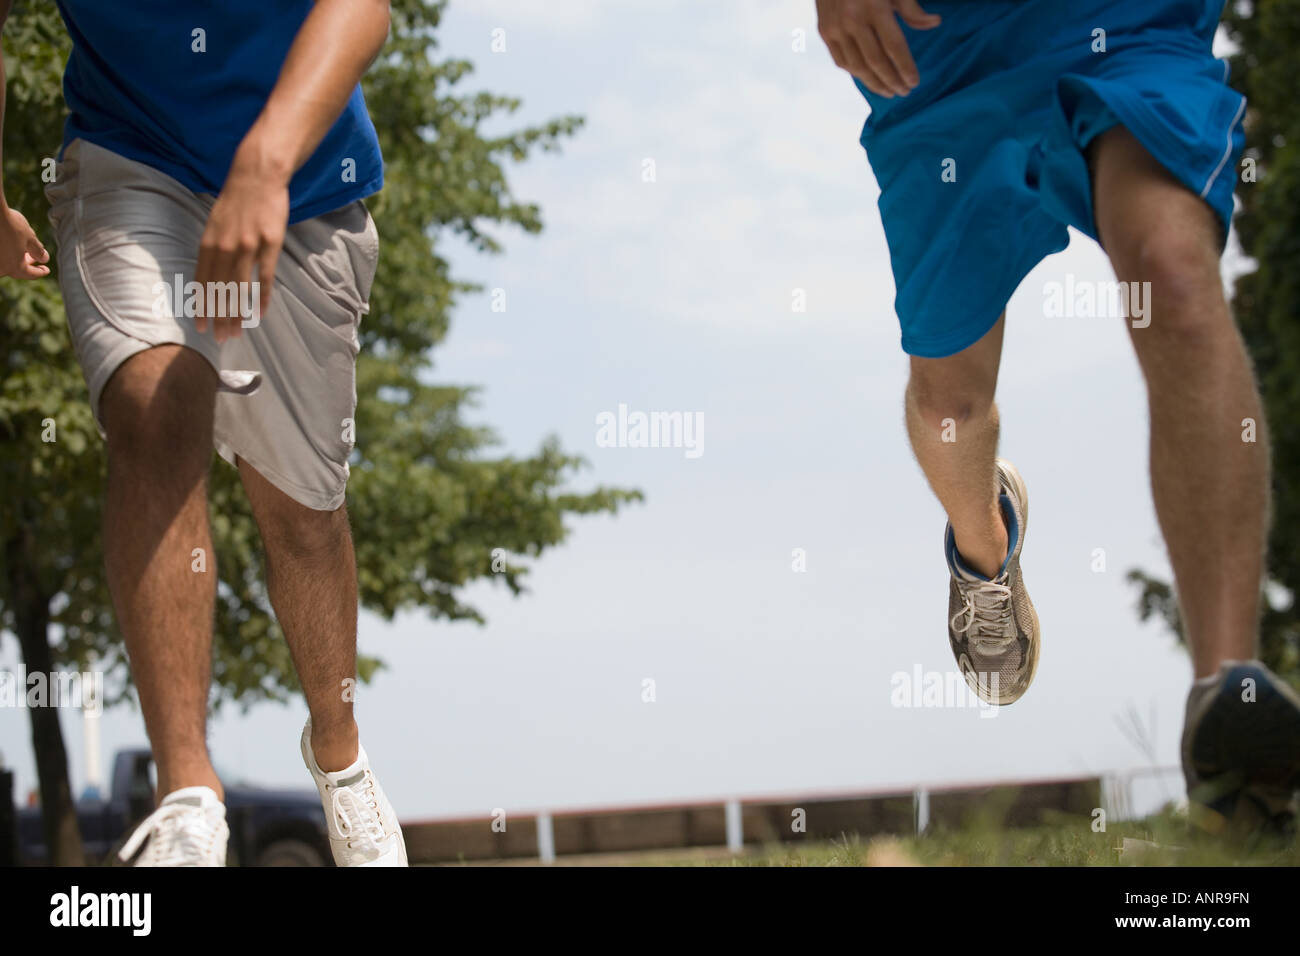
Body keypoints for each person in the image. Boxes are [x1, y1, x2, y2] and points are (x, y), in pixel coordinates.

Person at [815, 0, 1300, 832]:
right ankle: (984, 549)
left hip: (1130, 22)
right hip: (939, 56)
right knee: (949, 406)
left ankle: (1226, 710)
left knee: (1172, 274)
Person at [0, 0, 406, 865]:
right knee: (153, 408)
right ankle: (186, 799)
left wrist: (263, 163)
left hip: (306, 181)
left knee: (301, 516)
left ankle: (339, 756)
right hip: (131, 156)